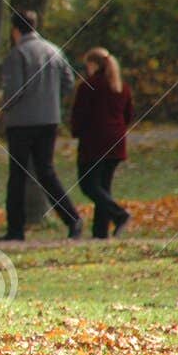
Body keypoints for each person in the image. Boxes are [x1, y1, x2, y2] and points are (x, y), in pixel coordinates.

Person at [0, 10, 83, 241]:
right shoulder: (54, 50)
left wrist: (4, 107)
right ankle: (72, 219)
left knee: (17, 175)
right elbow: (68, 82)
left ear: (16, 30)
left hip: (22, 122)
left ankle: (15, 229)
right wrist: (51, 101)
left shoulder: (17, 55)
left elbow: (13, 91)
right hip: (49, 120)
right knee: (46, 171)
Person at [70, 46, 133, 238]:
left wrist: (76, 131)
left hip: (94, 142)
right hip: (116, 141)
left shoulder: (88, 86)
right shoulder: (121, 87)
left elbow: (79, 114)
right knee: (103, 188)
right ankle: (100, 232)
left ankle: (119, 214)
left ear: (93, 64)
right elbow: (128, 115)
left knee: (88, 184)